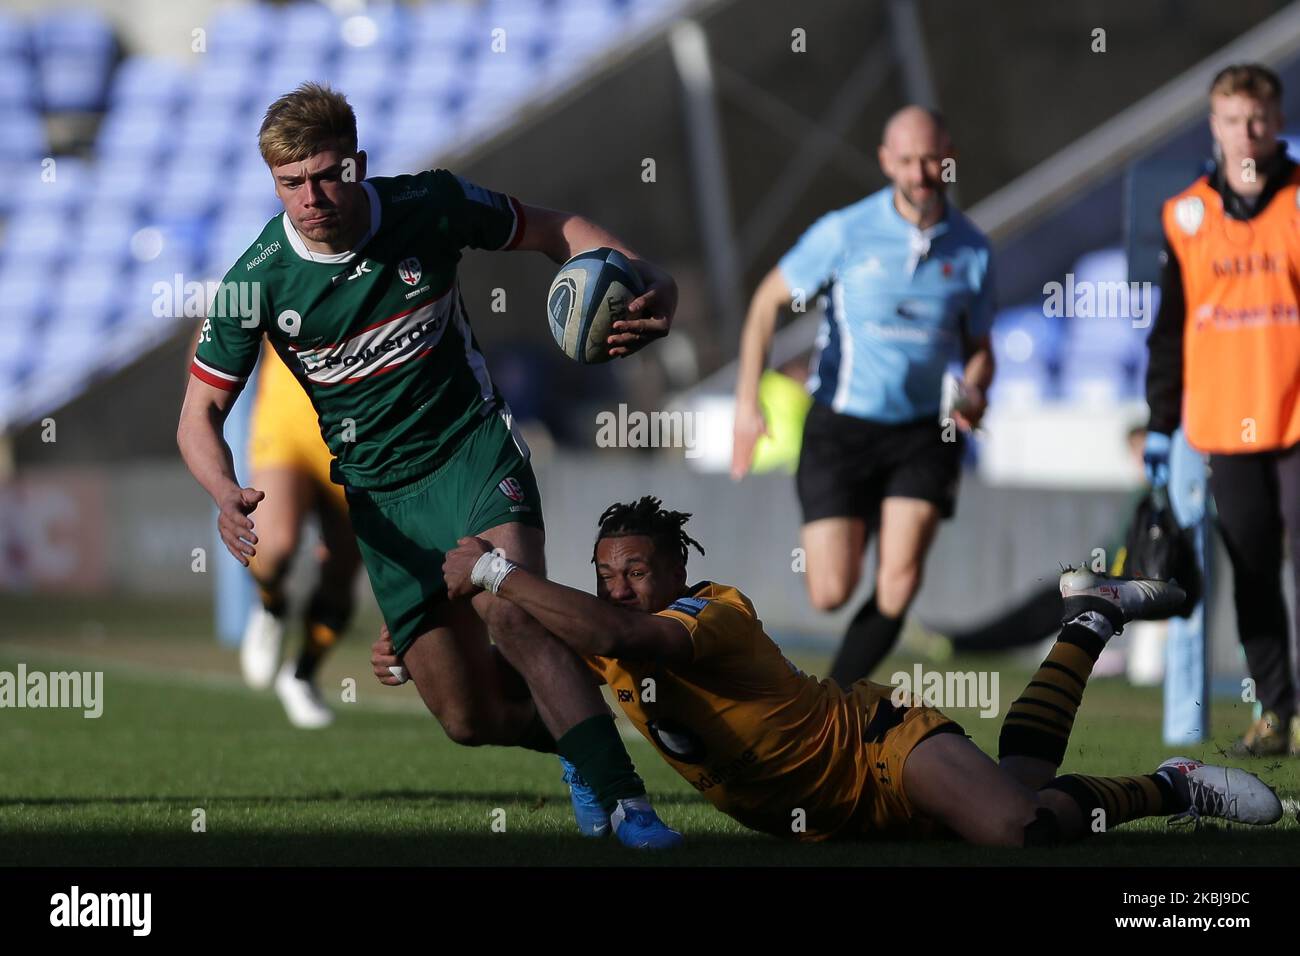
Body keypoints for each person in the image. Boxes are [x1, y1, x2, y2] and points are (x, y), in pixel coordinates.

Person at [177, 83, 682, 848]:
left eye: (328, 174)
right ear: (272, 182)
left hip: (471, 449)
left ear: (359, 163)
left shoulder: (431, 205)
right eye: (292, 183)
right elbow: (197, 417)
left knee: (510, 608)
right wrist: (222, 490)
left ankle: (626, 804)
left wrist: (654, 280)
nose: (312, 197)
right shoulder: (256, 280)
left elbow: (556, 229)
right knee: (467, 718)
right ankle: (579, 743)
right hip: (381, 500)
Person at [373, 496, 1281, 843]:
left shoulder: (708, 611)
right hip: (824, 817)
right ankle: (1091, 616)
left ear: (679, 570)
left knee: (1014, 827)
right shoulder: (596, 628)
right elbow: (530, 688)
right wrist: (423, 651)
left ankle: (1171, 787)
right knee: (1027, 790)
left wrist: (497, 571)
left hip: (873, 746)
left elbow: (639, 642)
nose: (621, 586)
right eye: (608, 573)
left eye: (638, 569)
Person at [732, 106, 995, 688]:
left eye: (931, 159)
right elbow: (764, 304)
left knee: (898, 583)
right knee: (830, 592)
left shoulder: (973, 250)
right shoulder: (844, 231)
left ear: (948, 157)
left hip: (923, 433)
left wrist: (975, 388)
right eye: (907, 160)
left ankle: (831, 703)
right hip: (841, 428)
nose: (921, 172)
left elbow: (981, 346)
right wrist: (746, 406)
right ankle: (868, 514)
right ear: (885, 162)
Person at [1145, 63, 1300, 757]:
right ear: (1215, 125)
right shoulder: (1184, 217)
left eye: (1260, 118)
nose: (1248, 132)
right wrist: (1157, 425)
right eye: (1234, 119)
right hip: (1225, 424)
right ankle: (1275, 712)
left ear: (1276, 120)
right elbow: (1168, 332)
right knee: (1254, 564)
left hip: (1298, 417)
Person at [239, 342, 363, 728]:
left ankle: (301, 674)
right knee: (276, 544)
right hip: (287, 426)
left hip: (357, 436)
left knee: (343, 569)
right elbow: (220, 322)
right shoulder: (277, 279)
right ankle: (272, 605)